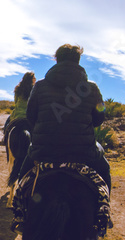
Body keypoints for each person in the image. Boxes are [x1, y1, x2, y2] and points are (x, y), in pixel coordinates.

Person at [19, 44, 111, 191]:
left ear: (57, 60)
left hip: (44, 151)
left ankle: (19, 212)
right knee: (105, 170)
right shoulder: (91, 88)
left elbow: (31, 116)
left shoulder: (40, 86)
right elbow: (99, 119)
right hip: (83, 152)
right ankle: (106, 211)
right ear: (78, 61)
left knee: (22, 178)